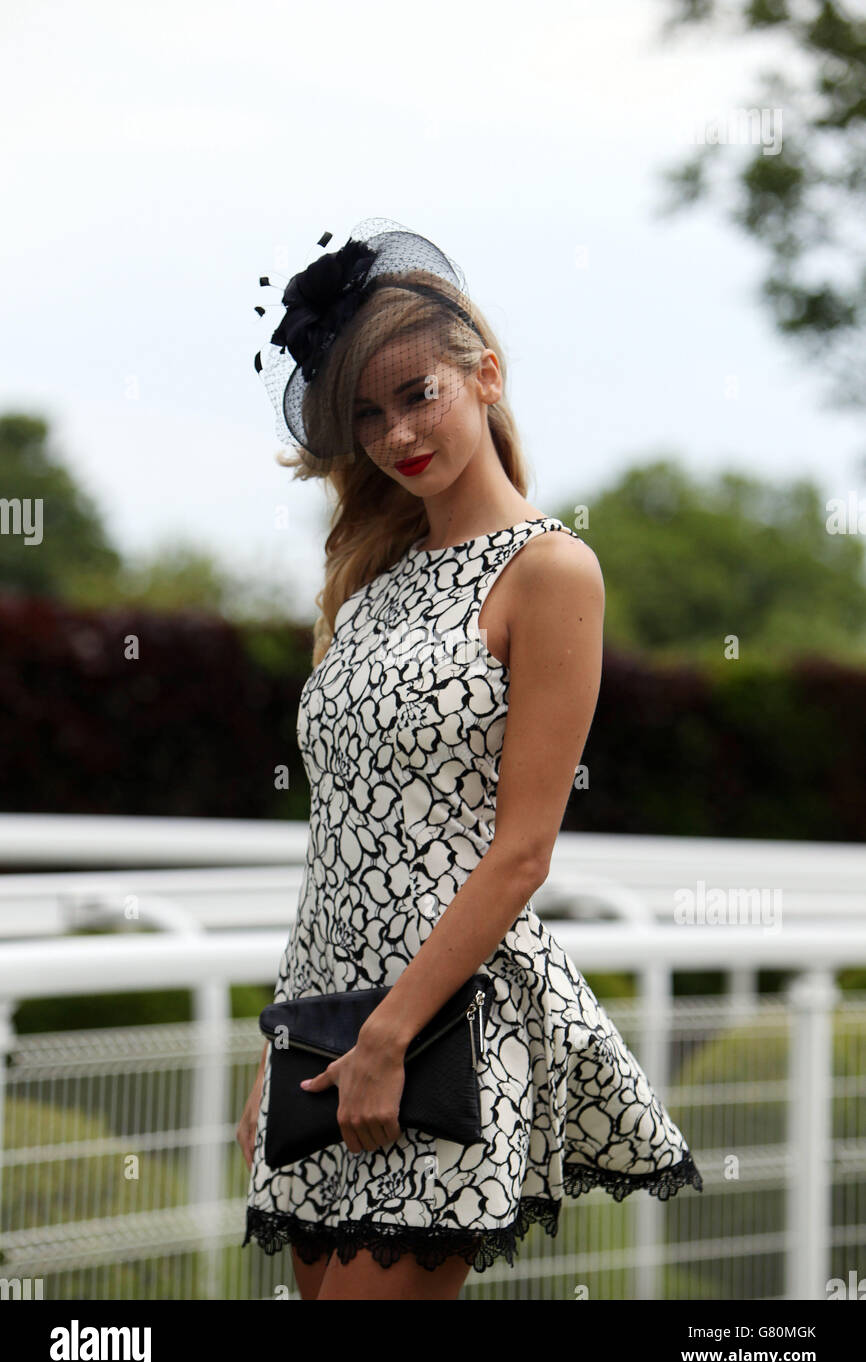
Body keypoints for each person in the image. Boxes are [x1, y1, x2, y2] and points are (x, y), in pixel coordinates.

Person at [238, 218, 703, 1300]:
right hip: (322, 1027)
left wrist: (391, 1036)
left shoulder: (551, 572)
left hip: (440, 1029)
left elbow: (521, 851)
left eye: (416, 394)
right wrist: (278, 1040)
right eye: (366, 413)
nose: (395, 432)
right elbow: (337, 841)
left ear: (482, 375)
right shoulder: (368, 580)